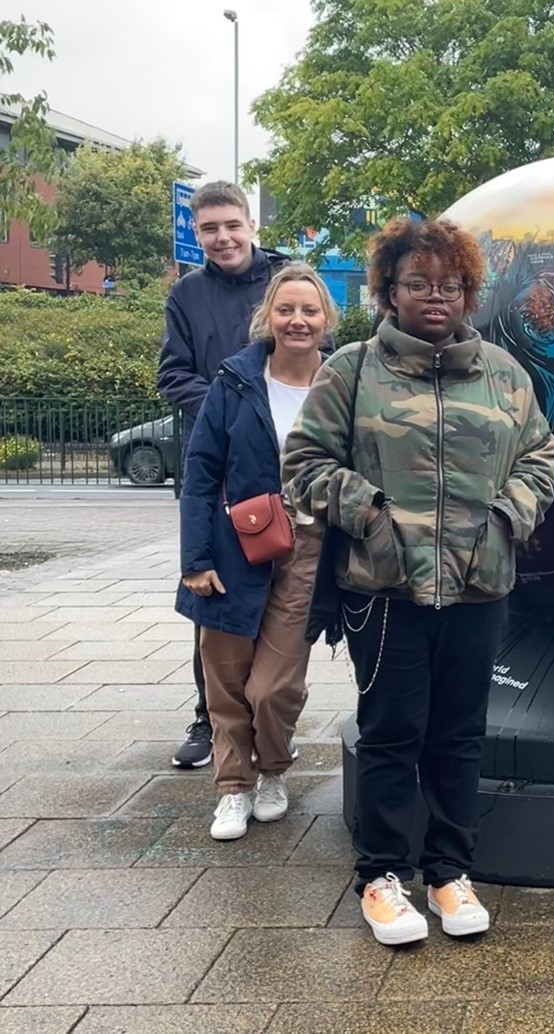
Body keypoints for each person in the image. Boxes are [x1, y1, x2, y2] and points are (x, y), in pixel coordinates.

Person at [282, 217, 554, 946]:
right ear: (388, 290)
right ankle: (380, 876)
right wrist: (370, 513)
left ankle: (447, 871)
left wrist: (507, 518)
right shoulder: (351, 370)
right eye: (416, 283)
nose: (434, 296)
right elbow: (304, 464)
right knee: (391, 734)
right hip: (385, 589)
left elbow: (541, 457)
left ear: (468, 293)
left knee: (460, 735)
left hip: (478, 587)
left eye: (449, 284)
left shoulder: (503, 374)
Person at [175, 263, 334, 840]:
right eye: (286, 310)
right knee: (226, 677)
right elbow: (200, 471)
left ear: (325, 319)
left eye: (309, 310)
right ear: (267, 317)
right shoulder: (236, 379)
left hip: (309, 547)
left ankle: (273, 768)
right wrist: (196, 559)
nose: (297, 320)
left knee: (273, 686)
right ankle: (234, 787)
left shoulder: (341, 381)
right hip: (234, 545)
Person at [157, 181, 290, 770]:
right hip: (216, 464)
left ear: (250, 223)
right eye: (209, 228)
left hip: (282, 464)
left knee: (288, 592)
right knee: (210, 587)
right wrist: (227, 405)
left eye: (231, 225)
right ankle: (208, 718)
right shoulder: (187, 293)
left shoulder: (286, 280)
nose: (222, 238)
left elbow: (316, 346)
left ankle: (271, 715)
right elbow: (172, 374)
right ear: (198, 232)